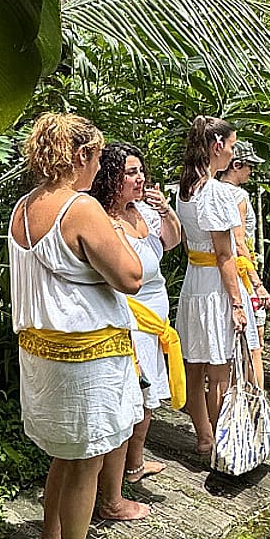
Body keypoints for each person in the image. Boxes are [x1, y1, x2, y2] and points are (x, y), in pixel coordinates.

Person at [7, 113, 144, 539]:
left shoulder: (24, 206)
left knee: (64, 456)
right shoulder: (80, 208)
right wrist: (117, 231)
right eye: (98, 157)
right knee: (86, 460)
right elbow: (130, 277)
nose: (100, 166)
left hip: (41, 351)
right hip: (85, 354)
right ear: (82, 155)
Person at [89, 144, 182, 499]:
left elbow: (172, 242)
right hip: (131, 317)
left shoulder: (144, 211)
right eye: (131, 172)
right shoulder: (102, 220)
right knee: (135, 399)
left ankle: (135, 464)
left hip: (156, 314)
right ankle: (112, 486)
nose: (140, 178)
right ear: (110, 178)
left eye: (141, 171)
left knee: (149, 398)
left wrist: (166, 211)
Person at [175, 116, 260, 454]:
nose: (233, 153)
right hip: (215, 287)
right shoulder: (217, 192)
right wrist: (238, 303)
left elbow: (188, 243)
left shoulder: (184, 189)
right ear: (217, 146)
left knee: (195, 367)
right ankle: (223, 441)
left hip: (194, 280)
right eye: (232, 146)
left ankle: (204, 437)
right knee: (220, 369)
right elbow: (225, 254)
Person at [215, 139, 270, 386]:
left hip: (217, 272)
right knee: (255, 342)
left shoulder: (211, 191)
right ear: (236, 165)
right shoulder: (238, 195)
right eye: (249, 166)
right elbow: (238, 241)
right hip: (241, 272)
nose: (251, 172)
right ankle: (257, 399)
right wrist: (257, 283)